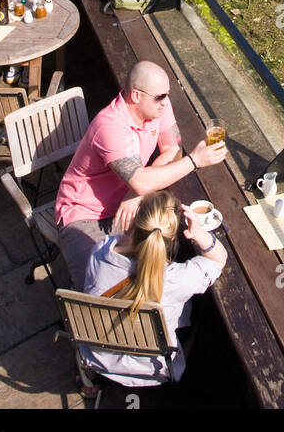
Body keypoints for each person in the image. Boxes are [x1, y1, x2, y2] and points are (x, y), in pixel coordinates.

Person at [55, 60, 228, 289]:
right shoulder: (111, 126)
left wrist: (136, 192)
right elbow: (142, 179)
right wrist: (195, 160)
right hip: (84, 214)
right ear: (136, 96)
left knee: (152, 275)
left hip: (128, 206)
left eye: (167, 95)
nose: (165, 103)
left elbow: (173, 150)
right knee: (95, 289)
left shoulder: (158, 108)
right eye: (159, 97)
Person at [80, 192, 227, 388]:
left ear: (135, 222)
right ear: (172, 236)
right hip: (150, 368)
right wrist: (198, 233)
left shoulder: (100, 250)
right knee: (202, 308)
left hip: (100, 357)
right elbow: (219, 259)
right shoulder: (176, 279)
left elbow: (119, 242)